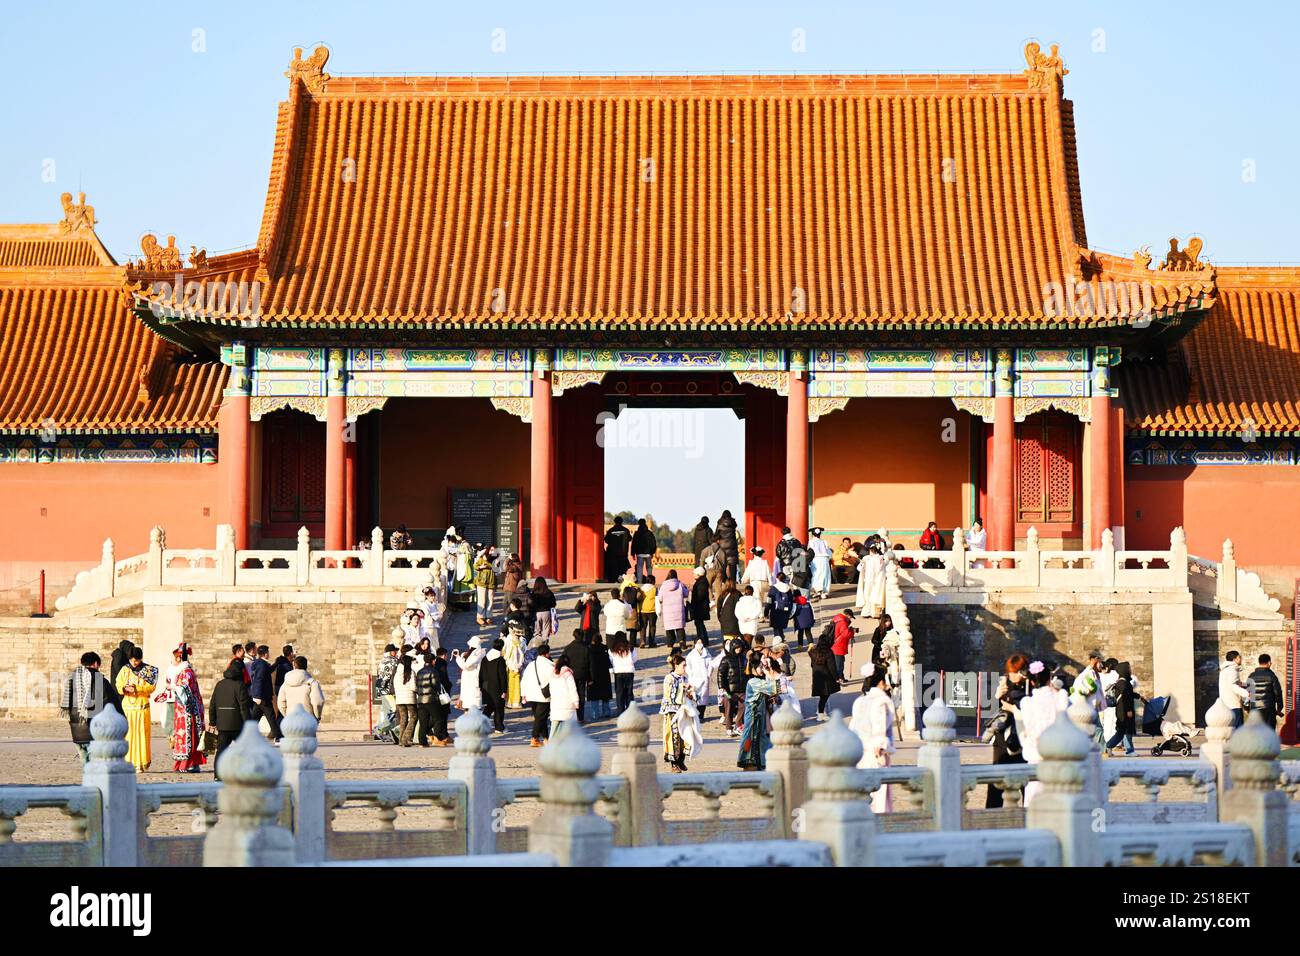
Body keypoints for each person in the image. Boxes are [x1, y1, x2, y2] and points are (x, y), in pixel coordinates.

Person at [1020, 661, 1069, 805]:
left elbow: (1027, 727)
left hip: (1035, 753)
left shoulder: (1027, 702)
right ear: (1050, 678)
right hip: (1057, 753)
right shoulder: (1061, 697)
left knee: (1033, 798)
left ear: (1032, 681)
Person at [850, 664, 897, 812]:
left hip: (858, 753)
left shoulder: (860, 701)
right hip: (875, 753)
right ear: (882, 681)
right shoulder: (880, 702)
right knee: (878, 796)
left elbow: (853, 726)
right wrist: (881, 749)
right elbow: (879, 730)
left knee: (861, 794)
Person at [985, 654, 1029, 808]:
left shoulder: (1030, 687)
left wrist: (1012, 708)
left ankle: (1028, 816)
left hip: (1023, 739)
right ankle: (991, 815)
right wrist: (997, 697)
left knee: (1027, 783)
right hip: (1002, 740)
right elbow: (992, 714)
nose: (1013, 675)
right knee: (997, 782)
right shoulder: (1004, 685)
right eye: (1011, 672)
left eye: (1016, 672)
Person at [61, 651, 121, 764]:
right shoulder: (99, 680)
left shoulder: (73, 678)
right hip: (93, 728)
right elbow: (109, 702)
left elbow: (67, 703)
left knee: (84, 757)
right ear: (95, 663)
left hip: (76, 727)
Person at [114, 646, 156, 772]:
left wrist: (137, 688)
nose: (134, 662)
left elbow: (151, 687)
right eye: (132, 660)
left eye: (136, 660)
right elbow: (118, 683)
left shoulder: (148, 670)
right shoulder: (125, 669)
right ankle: (128, 761)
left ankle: (141, 763)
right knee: (128, 735)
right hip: (128, 707)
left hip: (142, 707)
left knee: (142, 735)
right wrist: (125, 688)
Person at [737, 653, 782, 770]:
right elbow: (775, 687)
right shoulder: (753, 682)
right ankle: (746, 760)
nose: (763, 669)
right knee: (750, 738)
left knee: (761, 739)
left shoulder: (758, 681)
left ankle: (759, 761)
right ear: (754, 668)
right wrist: (768, 673)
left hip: (759, 715)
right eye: (760, 666)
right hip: (753, 716)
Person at [165, 643, 206, 771]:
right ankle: (186, 763)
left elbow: (184, 689)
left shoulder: (186, 672)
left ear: (179, 658)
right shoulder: (182, 671)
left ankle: (192, 763)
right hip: (182, 710)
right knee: (184, 736)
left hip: (189, 710)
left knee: (191, 735)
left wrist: (172, 687)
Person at [208, 661, 251, 777]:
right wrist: (249, 724)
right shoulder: (240, 685)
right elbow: (244, 707)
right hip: (237, 724)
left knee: (221, 751)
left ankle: (217, 775)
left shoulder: (220, 684)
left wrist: (212, 721)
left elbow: (212, 704)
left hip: (222, 724)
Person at [660, 654, 694, 772]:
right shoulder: (669, 678)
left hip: (683, 710)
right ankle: (674, 763)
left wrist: (690, 693)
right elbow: (670, 695)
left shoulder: (684, 678)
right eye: (683, 665)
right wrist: (682, 688)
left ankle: (681, 760)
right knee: (674, 737)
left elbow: (688, 695)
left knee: (685, 735)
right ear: (676, 665)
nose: (685, 668)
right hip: (672, 712)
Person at [415, 651, 452, 746]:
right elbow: (436, 685)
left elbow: (417, 685)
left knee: (423, 722)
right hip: (431, 699)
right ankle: (437, 738)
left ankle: (422, 742)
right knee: (438, 718)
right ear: (433, 661)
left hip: (421, 699)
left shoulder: (419, 672)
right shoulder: (433, 671)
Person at [1071, 651, 1108, 745]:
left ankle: (1101, 748)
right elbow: (1079, 683)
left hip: (1093, 705)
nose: (1102, 665)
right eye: (1100, 662)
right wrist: (1088, 691)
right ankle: (1103, 748)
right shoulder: (1088, 672)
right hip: (1089, 705)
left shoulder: (1094, 673)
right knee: (1097, 728)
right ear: (1095, 660)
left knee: (1094, 728)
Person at [521, 643, 555, 746]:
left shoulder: (532, 664)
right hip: (543, 696)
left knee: (540, 718)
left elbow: (524, 679)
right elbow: (553, 680)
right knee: (541, 718)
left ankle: (545, 739)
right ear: (547, 654)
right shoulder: (549, 665)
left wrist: (523, 694)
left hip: (531, 694)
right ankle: (534, 738)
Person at [715, 639, 747, 737]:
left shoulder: (744, 658)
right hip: (729, 689)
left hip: (742, 688)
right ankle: (729, 727)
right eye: (736, 648)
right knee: (728, 707)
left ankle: (738, 725)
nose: (738, 649)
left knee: (744, 705)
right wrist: (722, 687)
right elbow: (720, 674)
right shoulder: (726, 659)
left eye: (740, 647)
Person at [1104, 661, 1137, 756]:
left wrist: (1139, 697)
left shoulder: (1123, 682)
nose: (1130, 670)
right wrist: (1129, 710)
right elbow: (1125, 698)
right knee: (1125, 731)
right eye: (1129, 668)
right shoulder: (1123, 683)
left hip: (1122, 710)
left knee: (1122, 731)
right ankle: (1129, 750)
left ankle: (1110, 746)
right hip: (1123, 710)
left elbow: (1129, 694)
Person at [278, 656, 325, 722]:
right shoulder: (312, 683)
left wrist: (286, 716)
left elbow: (281, 702)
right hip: (308, 720)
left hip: (291, 720)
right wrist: (317, 716)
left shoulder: (285, 683)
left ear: (294, 665)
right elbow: (318, 702)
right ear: (306, 666)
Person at [249, 644, 280, 741]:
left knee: (254, 718)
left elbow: (267, 672)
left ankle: (246, 736)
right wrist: (257, 696)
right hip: (262, 697)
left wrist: (275, 664)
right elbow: (259, 679)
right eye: (268, 652)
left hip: (260, 697)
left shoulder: (260, 663)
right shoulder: (262, 665)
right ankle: (278, 737)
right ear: (265, 654)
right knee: (271, 717)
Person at [479, 638, 509, 735]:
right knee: (498, 708)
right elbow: (503, 676)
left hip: (486, 686)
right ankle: (499, 727)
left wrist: (481, 686)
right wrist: (504, 690)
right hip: (497, 687)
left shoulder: (485, 658)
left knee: (489, 706)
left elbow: (481, 673)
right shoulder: (500, 660)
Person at [1248, 653, 1286, 730]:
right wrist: (1279, 707)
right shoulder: (1272, 676)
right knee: (1269, 730)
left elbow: (1248, 693)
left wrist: (1246, 707)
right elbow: (1278, 693)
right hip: (1268, 708)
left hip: (1254, 708)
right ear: (1269, 663)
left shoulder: (1251, 676)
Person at [374, 639, 401, 742]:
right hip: (388, 691)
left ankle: (386, 731)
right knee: (394, 710)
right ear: (390, 652)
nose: (396, 653)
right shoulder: (393, 661)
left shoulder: (382, 661)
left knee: (386, 713)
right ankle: (380, 729)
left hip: (381, 690)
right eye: (394, 651)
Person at [808, 634, 839, 721]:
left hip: (817, 676)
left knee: (822, 696)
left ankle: (820, 711)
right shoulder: (828, 652)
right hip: (826, 677)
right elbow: (832, 666)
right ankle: (820, 714)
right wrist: (836, 677)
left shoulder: (813, 651)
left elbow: (812, 665)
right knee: (825, 695)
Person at [564, 629, 591, 722]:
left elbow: (564, 662)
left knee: (571, 694)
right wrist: (590, 678)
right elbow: (590, 664)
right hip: (583, 675)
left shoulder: (568, 648)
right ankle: (580, 717)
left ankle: (572, 716)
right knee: (581, 695)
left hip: (570, 675)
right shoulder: (586, 648)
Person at [548, 653, 581, 732]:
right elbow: (573, 689)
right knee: (568, 729)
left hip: (556, 704)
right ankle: (566, 743)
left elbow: (550, 689)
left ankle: (552, 743)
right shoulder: (568, 674)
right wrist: (576, 702)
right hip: (567, 704)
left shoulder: (553, 674)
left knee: (554, 729)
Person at [657, 569, 689, 647]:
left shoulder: (663, 586)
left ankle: (670, 644)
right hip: (678, 611)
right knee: (679, 627)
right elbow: (686, 594)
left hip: (668, 612)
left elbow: (660, 598)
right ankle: (682, 642)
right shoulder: (680, 584)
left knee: (669, 628)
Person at [1219, 650, 1251, 728]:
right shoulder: (1232, 670)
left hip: (1227, 703)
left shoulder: (1225, 670)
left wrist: (1246, 684)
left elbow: (1234, 683)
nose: (1241, 659)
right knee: (1237, 729)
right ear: (1234, 659)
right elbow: (1232, 685)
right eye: (1239, 657)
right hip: (1233, 703)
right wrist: (1246, 693)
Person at [453, 636, 486, 712]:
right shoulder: (474, 653)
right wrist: (459, 656)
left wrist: (458, 658)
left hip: (473, 679)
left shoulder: (477, 654)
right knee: (467, 702)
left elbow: (466, 666)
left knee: (472, 702)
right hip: (468, 679)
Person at [585, 633, 614, 720]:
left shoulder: (589, 649)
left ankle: (595, 714)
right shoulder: (605, 648)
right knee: (605, 695)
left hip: (593, 675)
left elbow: (588, 663)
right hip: (604, 674)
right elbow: (609, 662)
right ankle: (607, 712)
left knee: (594, 696)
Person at [684, 637, 714, 719]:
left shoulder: (707, 654)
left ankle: (701, 715)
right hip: (694, 679)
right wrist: (691, 674)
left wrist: (708, 674)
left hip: (704, 679)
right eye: (698, 642)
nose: (699, 644)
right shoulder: (691, 655)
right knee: (694, 697)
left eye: (701, 642)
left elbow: (711, 665)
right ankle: (694, 715)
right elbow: (687, 666)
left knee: (703, 698)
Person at [609, 632, 637, 715]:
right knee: (629, 692)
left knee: (619, 692)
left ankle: (621, 711)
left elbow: (610, 660)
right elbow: (635, 658)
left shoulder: (612, 648)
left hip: (618, 672)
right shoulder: (630, 647)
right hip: (629, 671)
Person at [856, 542, 886, 616]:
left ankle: (874, 613)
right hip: (869, 580)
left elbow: (880, 569)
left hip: (876, 580)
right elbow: (859, 568)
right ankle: (867, 612)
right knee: (869, 596)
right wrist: (862, 563)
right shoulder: (867, 558)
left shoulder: (880, 558)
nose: (872, 551)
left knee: (873, 596)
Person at [502, 620, 527, 709]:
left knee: (514, 684)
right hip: (513, 665)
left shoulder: (512, 640)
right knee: (515, 684)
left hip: (513, 665)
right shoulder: (511, 640)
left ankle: (513, 702)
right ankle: (513, 702)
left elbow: (504, 652)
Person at [740, 546, 772, 611]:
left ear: (754, 554)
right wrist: (771, 582)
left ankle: (760, 615)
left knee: (757, 599)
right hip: (763, 581)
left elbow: (747, 573)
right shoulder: (765, 562)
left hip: (754, 582)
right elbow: (769, 573)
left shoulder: (751, 563)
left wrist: (743, 580)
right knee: (761, 598)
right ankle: (760, 614)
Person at [603, 517, 632, 582]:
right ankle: (621, 581)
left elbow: (607, 540)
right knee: (622, 569)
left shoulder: (611, 530)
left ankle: (613, 581)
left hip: (612, 554)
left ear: (615, 521)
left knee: (613, 569)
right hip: (623, 553)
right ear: (622, 521)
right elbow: (630, 539)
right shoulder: (626, 530)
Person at [473, 549, 498, 626]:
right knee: (482, 600)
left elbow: (497, 570)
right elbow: (475, 566)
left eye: (494, 550)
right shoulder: (481, 559)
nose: (492, 552)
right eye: (491, 550)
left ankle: (488, 616)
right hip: (482, 582)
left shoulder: (496, 560)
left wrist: (496, 565)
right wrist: (481, 566)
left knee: (490, 601)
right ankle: (480, 617)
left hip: (491, 582)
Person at [830, 607, 856, 681]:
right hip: (839, 646)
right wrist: (852, 631)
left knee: (838, 663)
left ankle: (840, 677)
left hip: (836, 645)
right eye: (850, 617)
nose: (850, 619)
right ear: (847, 615)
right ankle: (839, 678)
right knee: (839, 664)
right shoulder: (843, 622)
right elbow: (846, 634)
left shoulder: (838, 620)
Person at [808, 527, 833, 599]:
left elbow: (810, 552)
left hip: (816, 559)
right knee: (825, 575)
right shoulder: (824, 541)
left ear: (813, 534)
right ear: (820, 534)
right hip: (824, 559)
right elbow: (829, 553)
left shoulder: (811, 541)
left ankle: (818, 590)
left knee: (816, 574)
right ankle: (824, 592)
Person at [689, 568, 711, 647]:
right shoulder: (701, 582)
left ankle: (703, 640)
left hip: (700, 608)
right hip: (699, 607)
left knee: (699, 624)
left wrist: (693, 592)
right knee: (699, 624)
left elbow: (700, 595)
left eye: (694, 574)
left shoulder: (702, 583)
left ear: (699, 574)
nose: (693, 575)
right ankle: (704, 639)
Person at [768, 573, 793, 643]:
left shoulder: (773, 588)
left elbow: (769, 600)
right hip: (785, 611)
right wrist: (790, 611)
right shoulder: (788, 588)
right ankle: (782, 639)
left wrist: (766, 611)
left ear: (777, 578)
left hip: (775, 611)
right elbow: (791, 600)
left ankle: (778, 643)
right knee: (780, 627)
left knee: (776, 628)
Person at [630, 518, 657, 584]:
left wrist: (633, 553)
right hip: (648, 554)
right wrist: (652, 552)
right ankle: (650, 582)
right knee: (649, 568)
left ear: (639, 524)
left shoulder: (637, 533)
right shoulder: (650, 533)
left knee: (639, 569)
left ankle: (639, 583)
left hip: (639, 554)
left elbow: (634, 544)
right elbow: (654, 543)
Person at [715, 509, 739, 583]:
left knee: (723, 565)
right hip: (732, 547)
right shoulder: (733, 524)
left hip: (723, 548)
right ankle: (733, 582)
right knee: (733, 565)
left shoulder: (719, 524)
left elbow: (716, 536)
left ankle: (725, 582)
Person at [531, 577, 557, 643]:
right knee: (546, 630)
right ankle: (545, 644)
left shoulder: (534, 593)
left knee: (537, 631)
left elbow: (531, 603)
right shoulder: (548, 592)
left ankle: (537, 644)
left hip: (537, 613)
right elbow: (554, 603)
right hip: (547, 612)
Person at [270, 644, 295, 711]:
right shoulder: (286, 664)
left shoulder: (280, 660)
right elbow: (290, 676)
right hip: (283, 687)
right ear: (291, 653)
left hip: (278, 686)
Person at [639, 578, 659, 648]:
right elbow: (658, 599)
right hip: (652, 610)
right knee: (652, 626)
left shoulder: (641, 588)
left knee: (643, 626)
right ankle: (651, 642)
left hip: (643, 610)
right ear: (653, 581)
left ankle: (642, 641)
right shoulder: (655, 589)